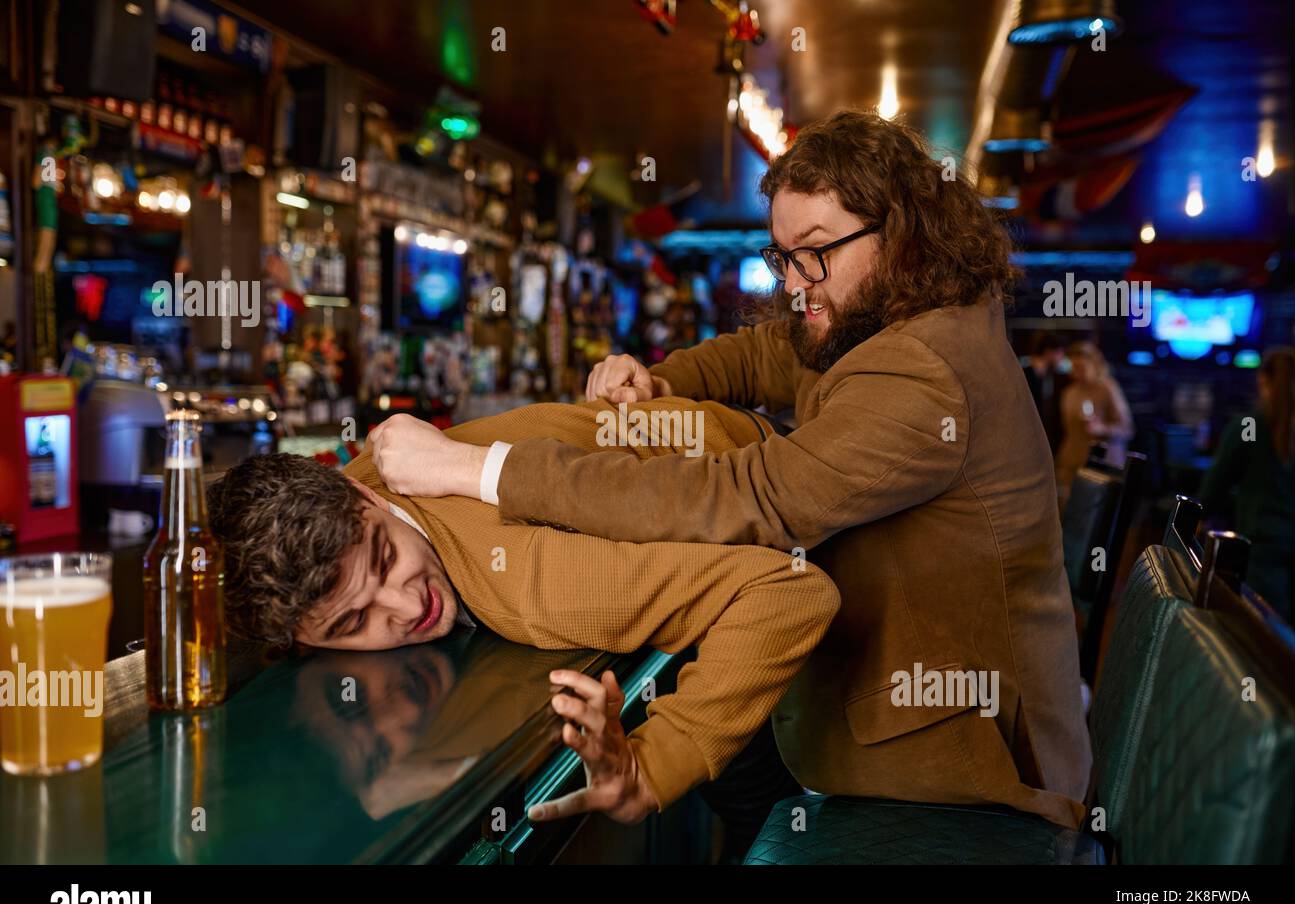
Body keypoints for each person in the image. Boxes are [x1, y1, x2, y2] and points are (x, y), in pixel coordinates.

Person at [370, 109, 1093, 832]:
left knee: (710, 771)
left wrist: (484, 470)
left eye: (816, 251)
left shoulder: (921, 374)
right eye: (783, 257)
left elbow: (751, 498)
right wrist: (655, 382)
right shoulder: (893, 314)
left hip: (959, 761)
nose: (796, 285)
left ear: (902, 233)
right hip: (895, 704)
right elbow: (766, 352)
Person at [206, 396, 839, 830]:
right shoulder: (367, 475)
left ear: (363, 493)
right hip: (716, 439)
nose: (406, 606)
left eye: (382, 558)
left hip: (793, 489)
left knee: (753, 797)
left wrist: (654, 766)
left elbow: (791, 590)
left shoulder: (538, 585)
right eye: (352, 623)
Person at [1200, 346, 1295, 624]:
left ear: (1262, 380)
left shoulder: (1249, 425)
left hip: (1260, 551)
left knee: (1259, 639)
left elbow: (1215, 487)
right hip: (1293, 547)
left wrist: (1198, 518)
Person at [1055, 340, 1134, 503]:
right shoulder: (1069, 392)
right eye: (1074, 368)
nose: (1077, 373)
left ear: (1094, 365)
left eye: (1081, 368)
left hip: (1101, 467)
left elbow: (1127, 429)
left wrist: (1102, 429)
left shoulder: (1107, 388)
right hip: (1072, 466)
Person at [1023, 330, 1066, 452]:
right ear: (1049, 352)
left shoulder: (1051, 375)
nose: (1062, 358)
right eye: (1060, 353)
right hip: (1028, 438)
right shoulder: (1025, 375)